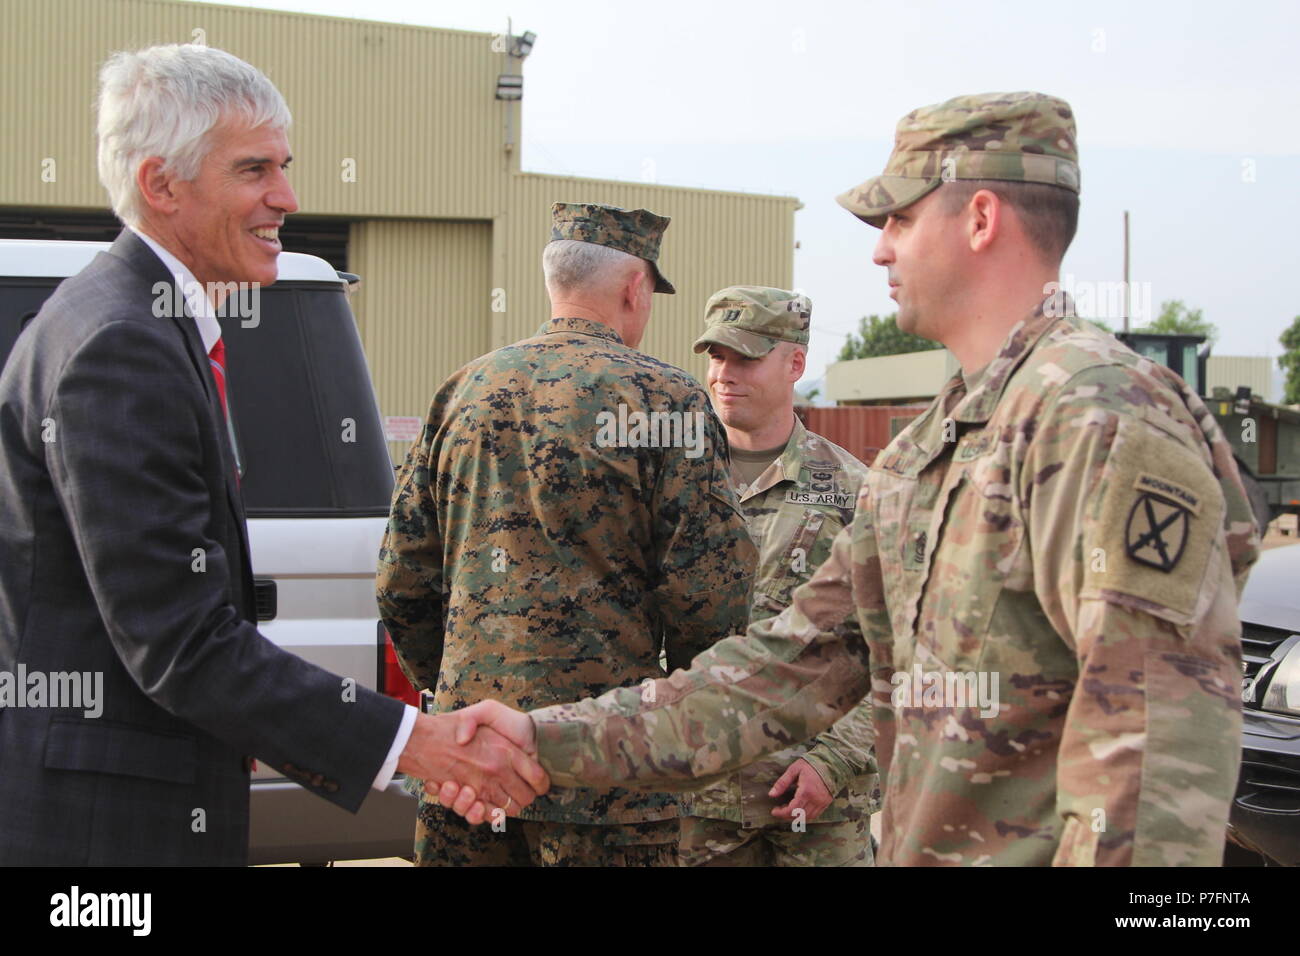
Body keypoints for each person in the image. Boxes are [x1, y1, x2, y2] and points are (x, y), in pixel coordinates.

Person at [442, 92, 1261, 867]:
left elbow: (1155, 759)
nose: (879, 247)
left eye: (899, 218)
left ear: (980, 219)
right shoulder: (923, 456)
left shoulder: (1099, 419)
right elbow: (777, 673)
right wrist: (537, 738)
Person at [0, 44, 545, 867]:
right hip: (106, 831)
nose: (286, 199)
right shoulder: (121, 346)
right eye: (254, 171)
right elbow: (182, 645)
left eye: (284, 167)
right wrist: (417, 743)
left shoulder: (134, 323)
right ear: (161, 185)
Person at [377, 202, 754, 866]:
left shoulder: (463, 391)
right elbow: (709, 598)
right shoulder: (666, 401)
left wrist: (457, 690)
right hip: (610, 769)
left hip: (469, 762)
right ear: (636, 287)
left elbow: (402, 578)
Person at [682, 285, 877, 867]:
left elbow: (903, 646)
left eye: (745, 357)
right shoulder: (671, 483)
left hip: (819, 805)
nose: (725, 373)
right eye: (717, 356)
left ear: (795, 363)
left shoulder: (854, 491)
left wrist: (833, 760)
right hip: (697, 800)